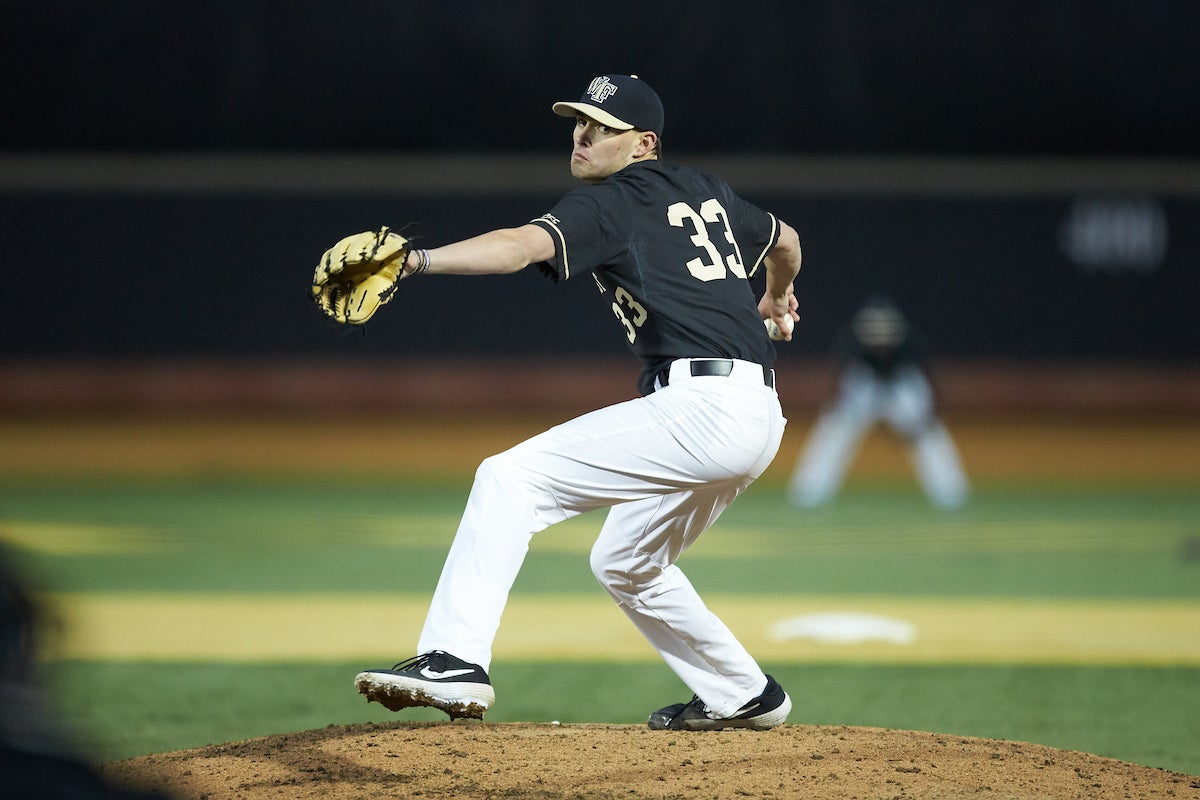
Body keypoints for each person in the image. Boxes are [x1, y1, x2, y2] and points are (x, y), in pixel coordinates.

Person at [345, 74, 803, 731]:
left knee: (510, 478)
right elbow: (786, 239)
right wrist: (775, 296)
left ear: (643, 143)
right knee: (625, 561)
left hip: (702, 411)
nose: (582, 134)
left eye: (601, 127)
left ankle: (453, 660)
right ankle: (744, 693)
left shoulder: (617, 201)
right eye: (579, 121)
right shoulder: (707, 190)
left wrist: (414, 261)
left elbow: (518, 247)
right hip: (758, 415)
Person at [787, 295, 969, 509]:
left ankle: (951, 493)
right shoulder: (853, 340)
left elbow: (927, 375)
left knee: (928, 432)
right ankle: (809, 492)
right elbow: (840, 374)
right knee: (835, 429)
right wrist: (836, 407)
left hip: (901, 384)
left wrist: (930, 409)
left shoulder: (908, 340)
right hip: (865, 383)